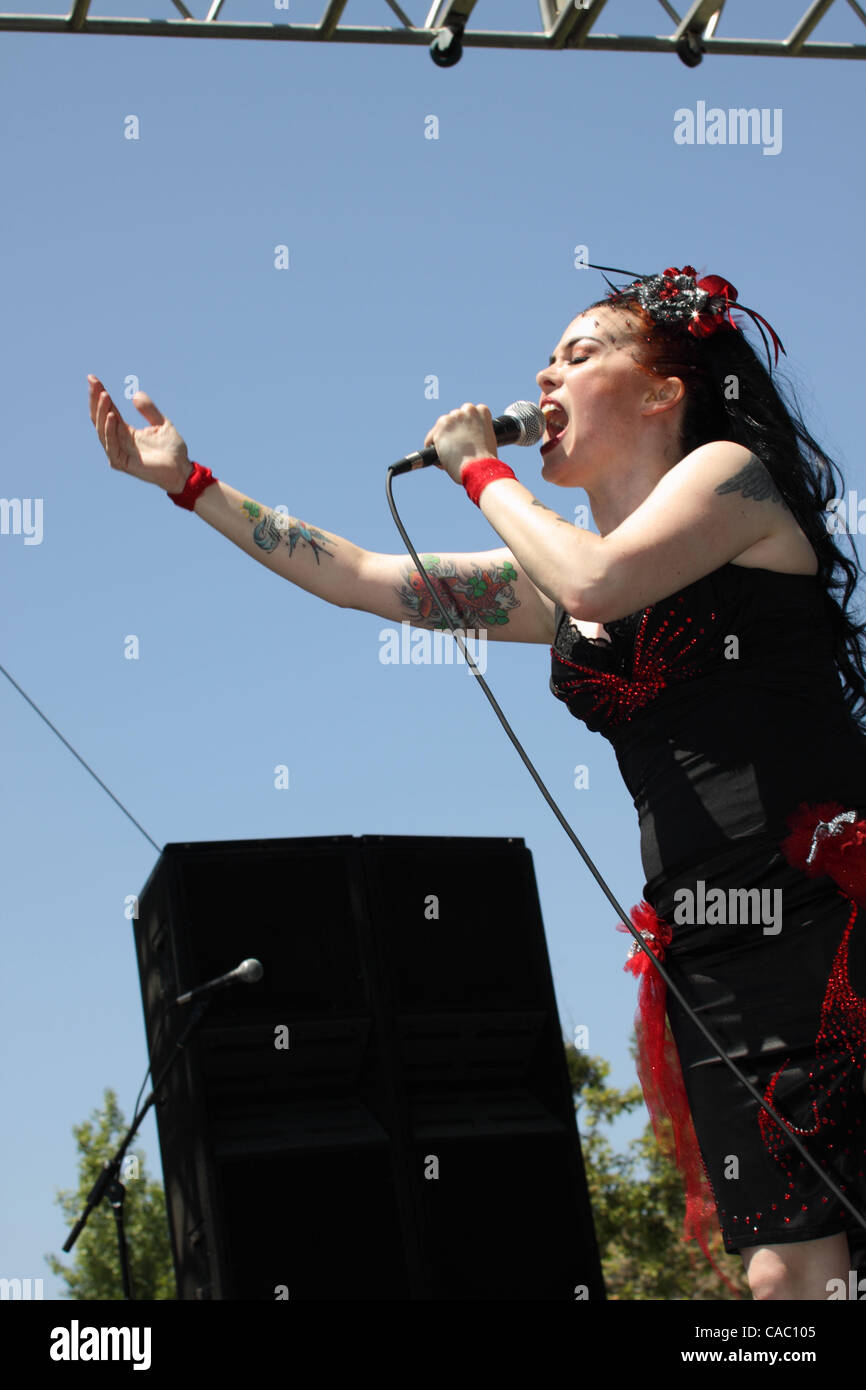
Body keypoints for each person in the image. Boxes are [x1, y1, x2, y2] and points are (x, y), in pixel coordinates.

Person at [88, 263, 866, 1301]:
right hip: (709, 946)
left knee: (799, 1267)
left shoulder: (730, 479)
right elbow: (360, 576)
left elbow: (598, 578)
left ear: (659, 391)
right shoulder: (559, 581)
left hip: (821, 908)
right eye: (544, 356)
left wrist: (474, 471)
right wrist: (189, 484)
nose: (542, 374)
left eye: (578, 352)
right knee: (784, 1270)